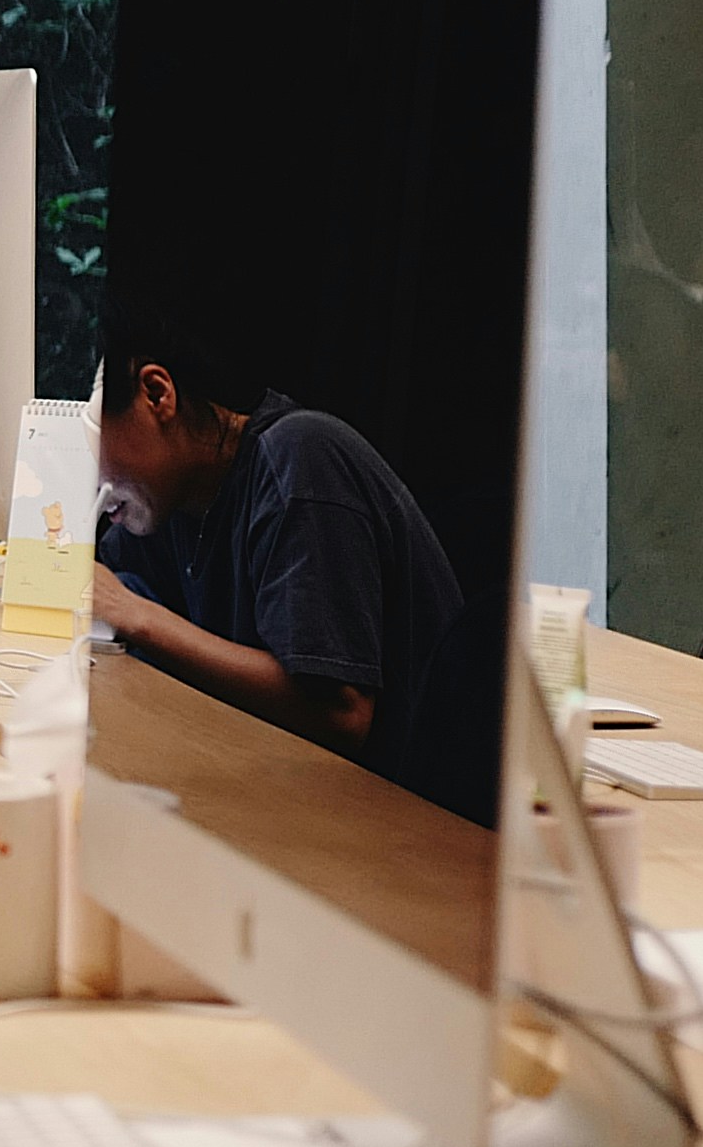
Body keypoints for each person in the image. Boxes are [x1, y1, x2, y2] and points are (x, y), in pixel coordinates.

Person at [91, 341, 490, 817]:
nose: (92, 477)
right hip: (289, 802)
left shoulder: (299, 462)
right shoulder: (169, 501)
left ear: (157, 395)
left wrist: (138, 617)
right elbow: (110, 593)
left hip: (398, 824)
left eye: (90, 438)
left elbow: (342, 715)